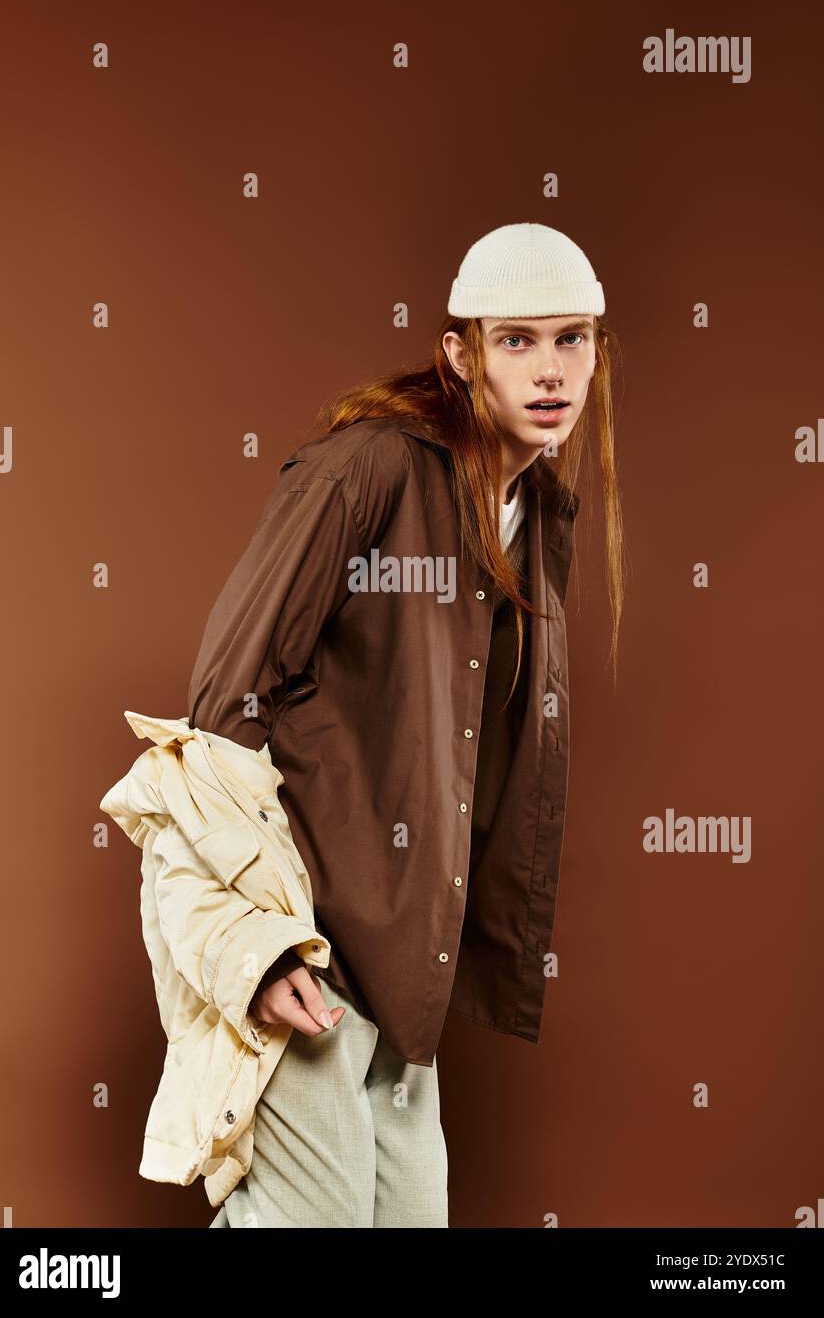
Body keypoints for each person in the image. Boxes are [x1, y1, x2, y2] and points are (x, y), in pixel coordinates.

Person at [187, 221, 626, 1228]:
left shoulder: (533, 513)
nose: (550, 368)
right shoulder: (368, 469)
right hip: (308, 946)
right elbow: (221, 704)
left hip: (402, 955)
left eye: (572, 339)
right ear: (459, 356)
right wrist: (258, 944)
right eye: (515, 340)